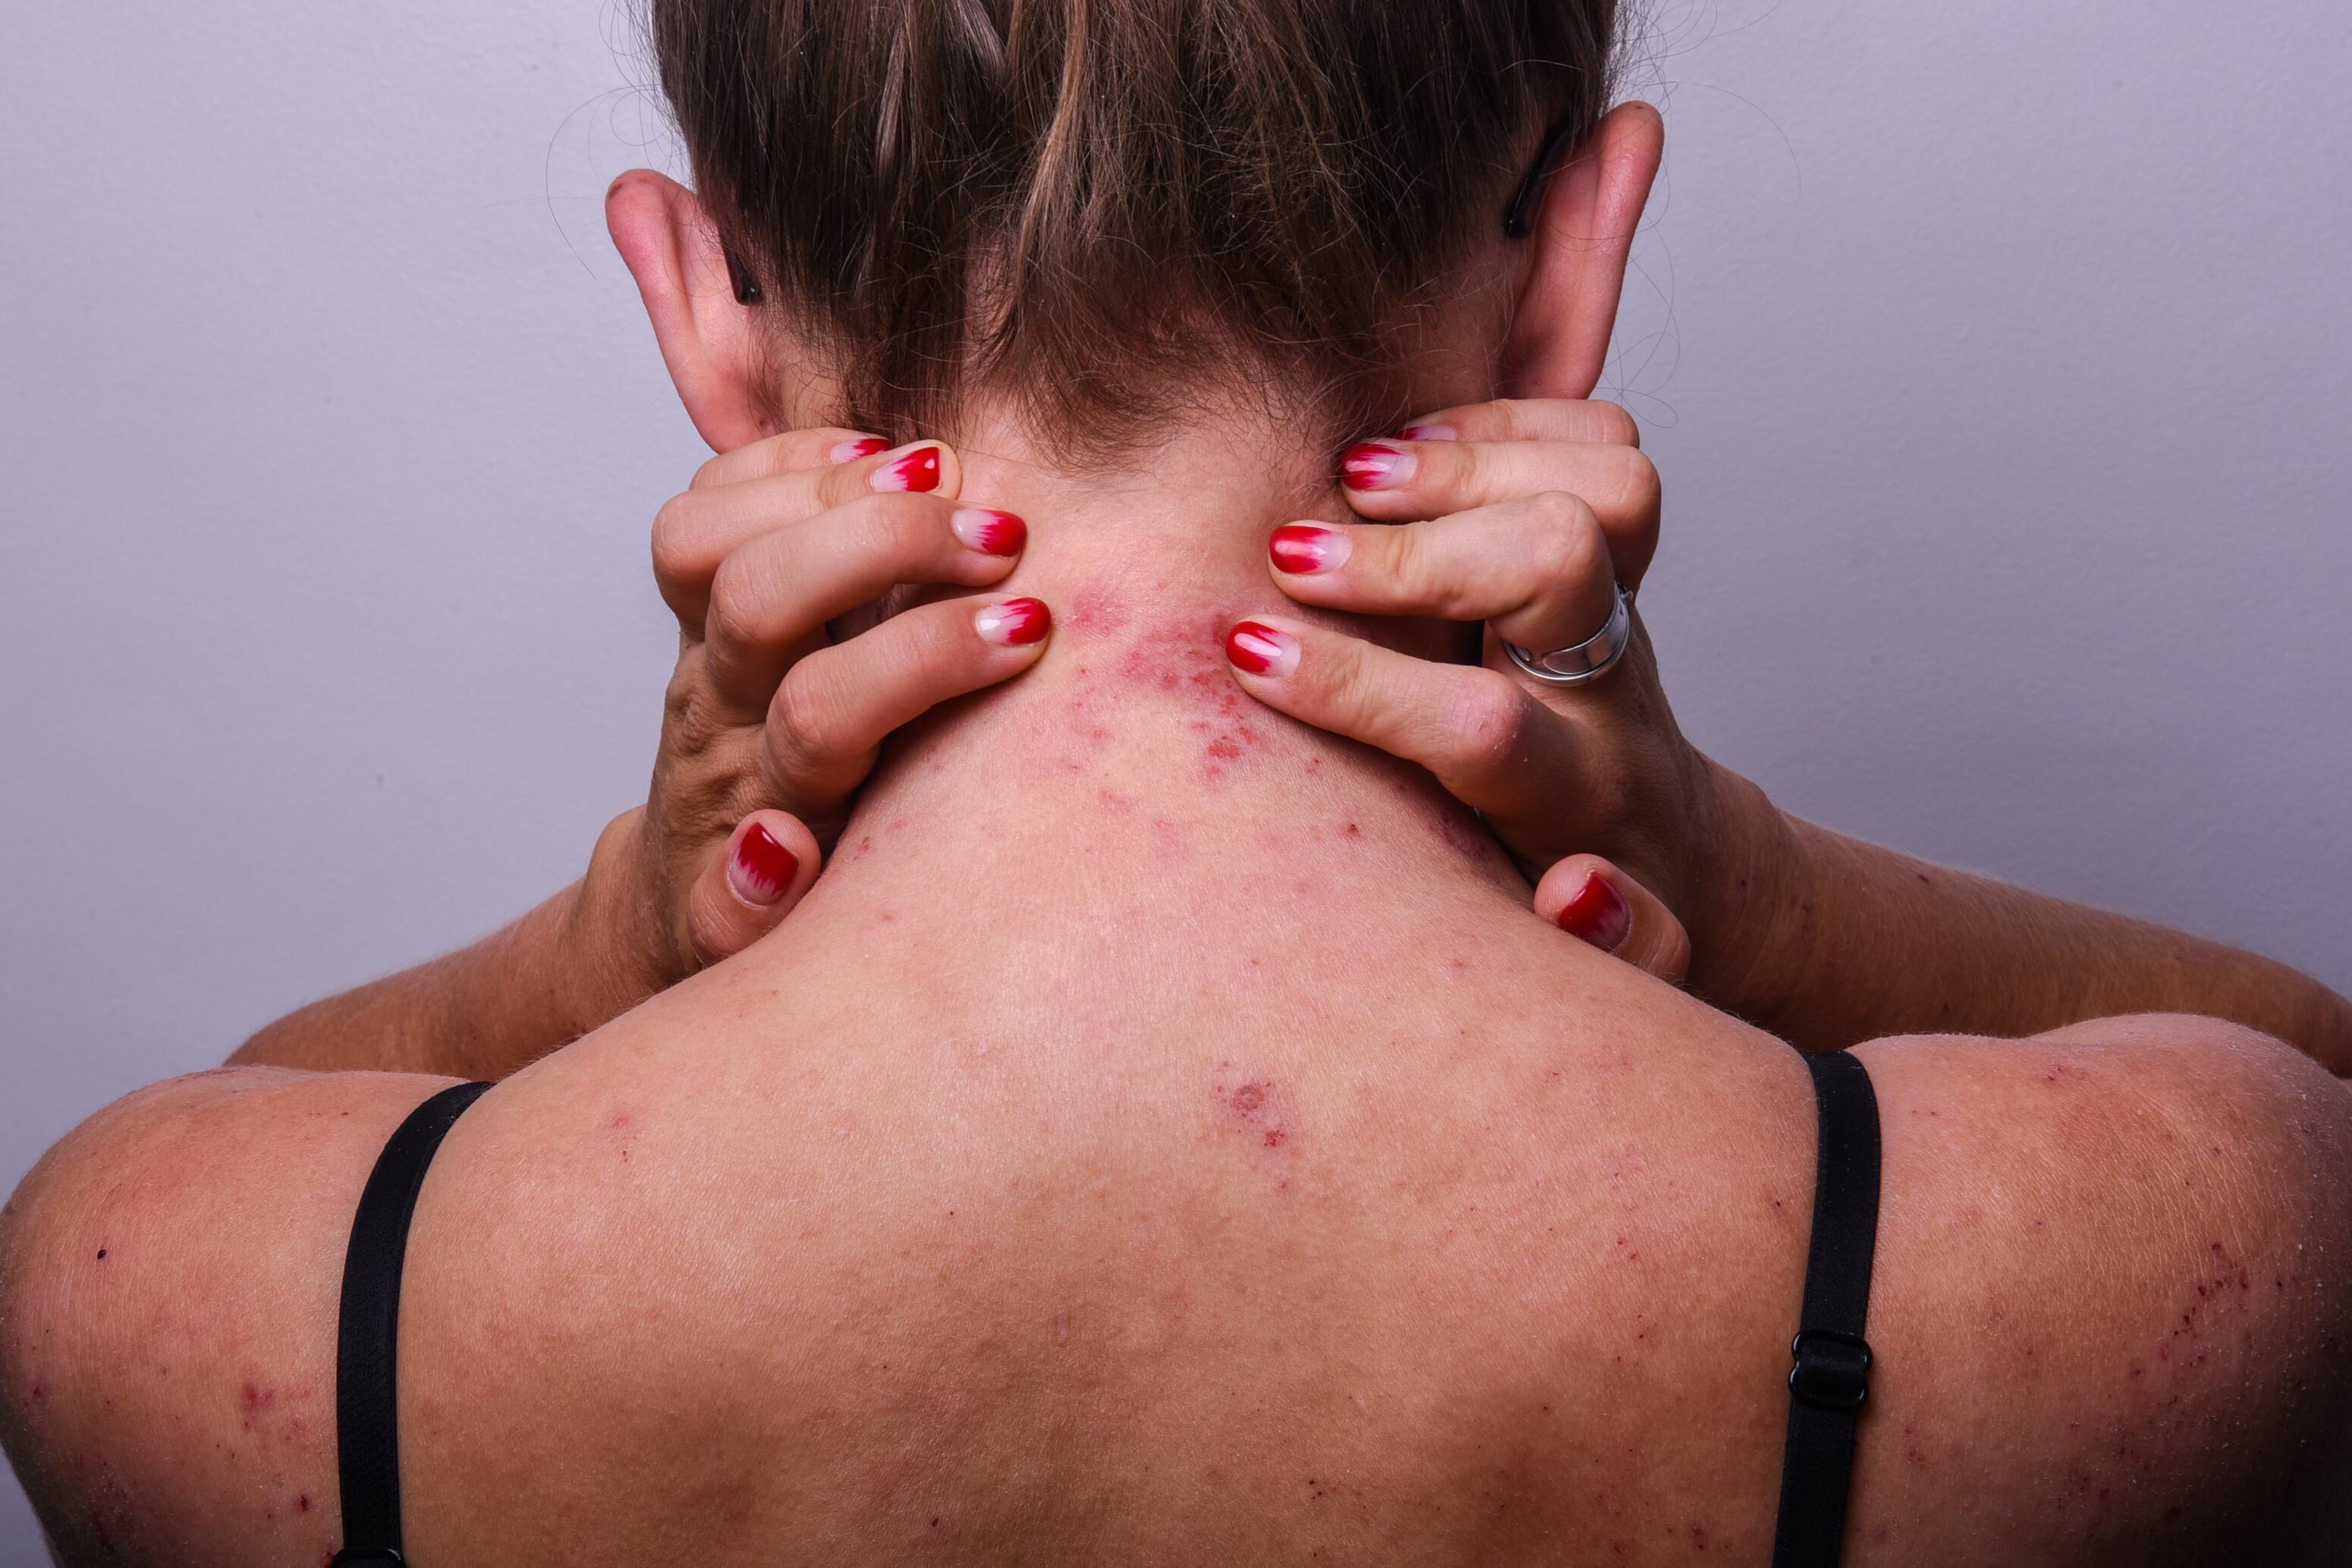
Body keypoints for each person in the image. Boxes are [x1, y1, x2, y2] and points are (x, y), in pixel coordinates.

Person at [5, 1, 2350, 1563]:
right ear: (1574, 264)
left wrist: (615, 931)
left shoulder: (178, 1293)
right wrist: (1756, 894)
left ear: (707, 305)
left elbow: (264, 1121)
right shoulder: (2147, 1249)